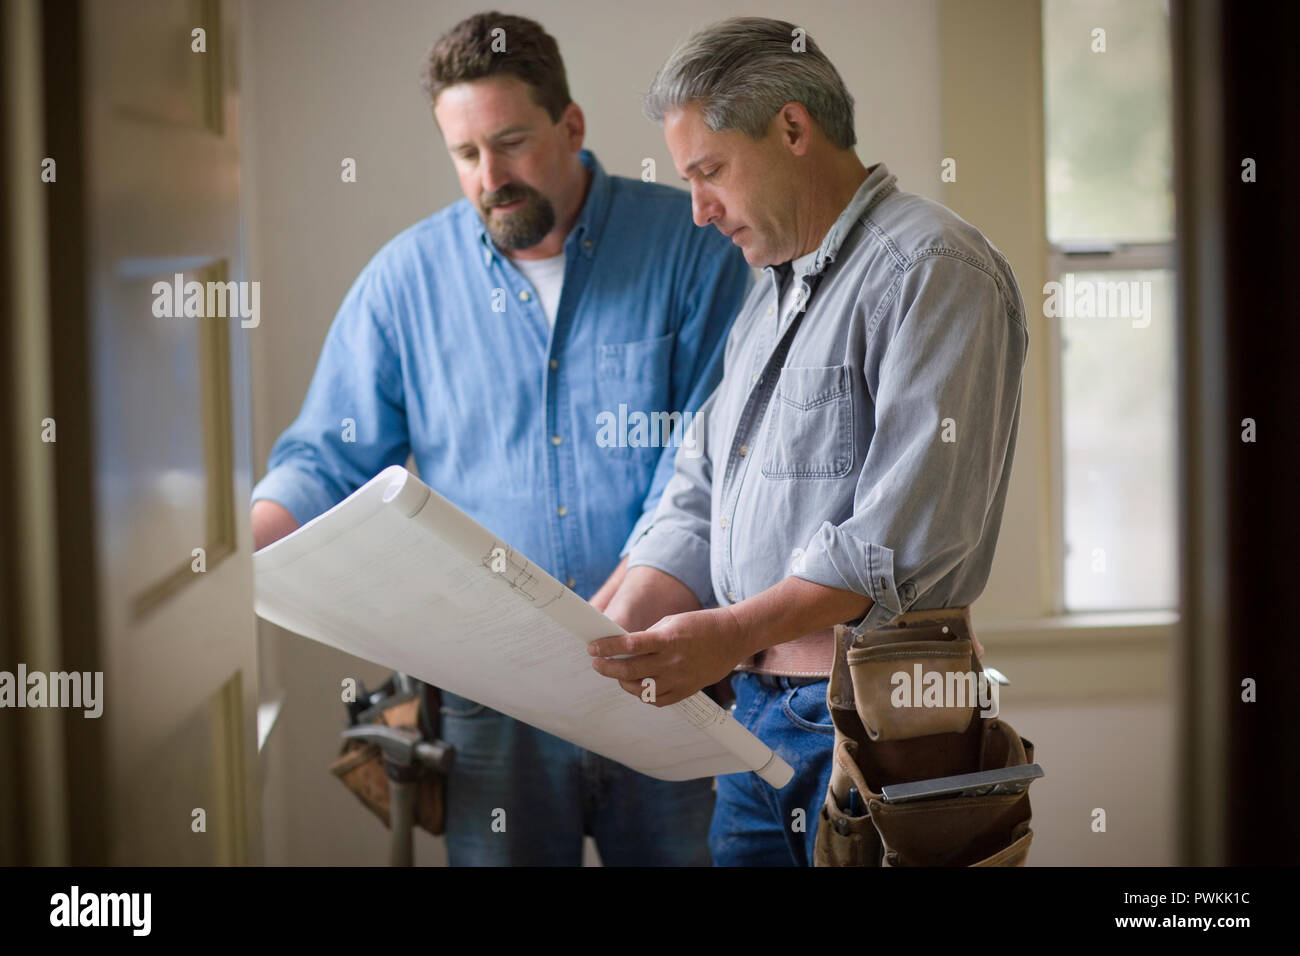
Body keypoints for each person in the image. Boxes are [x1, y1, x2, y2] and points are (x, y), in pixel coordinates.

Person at [250, 11, 750, 866]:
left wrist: (625, 621)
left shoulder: (691, 247)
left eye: (512, 143)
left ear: (573, 126)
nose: (491, 177)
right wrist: (235, 560)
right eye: (465, 154)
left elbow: (708, 457)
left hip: (662, 676)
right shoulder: (405, 282)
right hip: (490, 707)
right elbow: (327, 457)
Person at [588, 16, 1027, 866]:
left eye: (709, 171)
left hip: (878, 718)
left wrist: (723, 631)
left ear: (793, 128)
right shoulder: (767, 297)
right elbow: (699, 487)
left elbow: (896, 542)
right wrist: (615, 621)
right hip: (751, 721)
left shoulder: (934, 269)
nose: (699, 210)